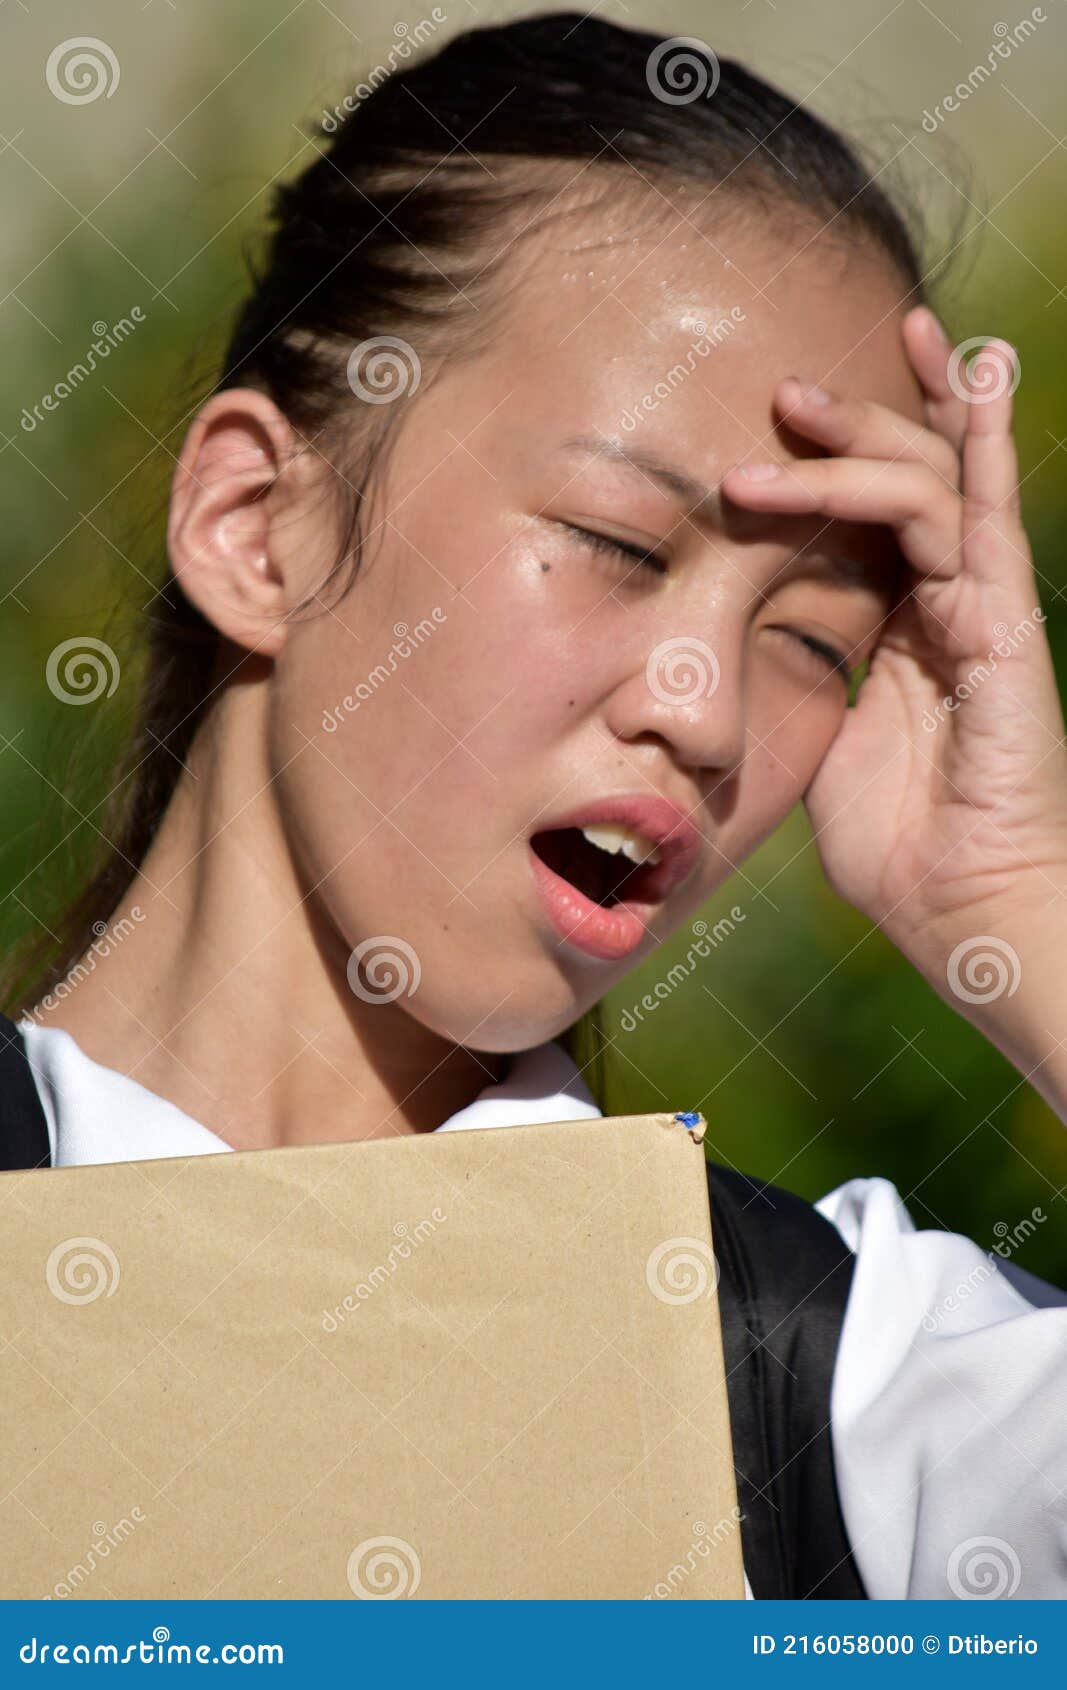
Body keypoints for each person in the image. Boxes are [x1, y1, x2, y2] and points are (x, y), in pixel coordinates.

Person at [2, 11, 1065, 1600]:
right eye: (621, 543)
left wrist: (1021, 898)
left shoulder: (832, 1384)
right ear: (252, 521)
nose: (706, 712)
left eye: (813, 643)